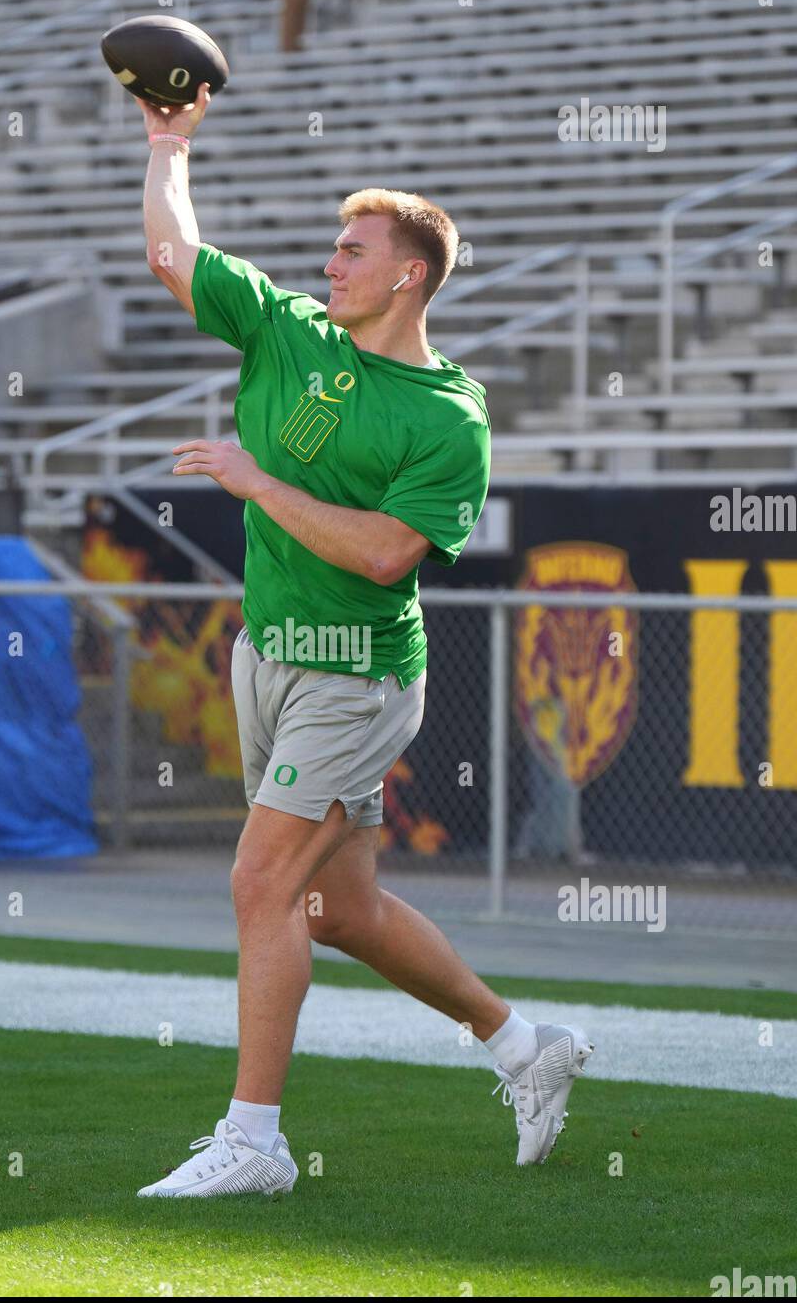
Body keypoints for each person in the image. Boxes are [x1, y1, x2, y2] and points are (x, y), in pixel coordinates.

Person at [134, 86, 595, 1197]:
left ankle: (256, 1141)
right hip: (266, 658)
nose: (328, 265)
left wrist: (252, 478)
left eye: (351, 251)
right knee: (339, 908)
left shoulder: (449, 411)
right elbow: (171, 251)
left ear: (408, 275)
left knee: (260, 885)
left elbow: (388, 554)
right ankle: (524, 1045)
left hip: (356, 669)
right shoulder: (288, 327)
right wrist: (167, 143)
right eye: (332, 250)